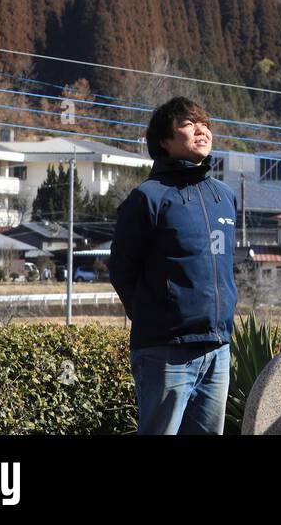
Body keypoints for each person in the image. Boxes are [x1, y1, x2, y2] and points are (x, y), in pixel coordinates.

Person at [109, 96, 238, 434]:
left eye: (205, 123)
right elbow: (122, 270)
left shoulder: (224, 196)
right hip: (165, 351)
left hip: (217, 347)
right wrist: (157, 317)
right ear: (164, 141)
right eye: (187, 124)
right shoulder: (148, 198)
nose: (201, 130)